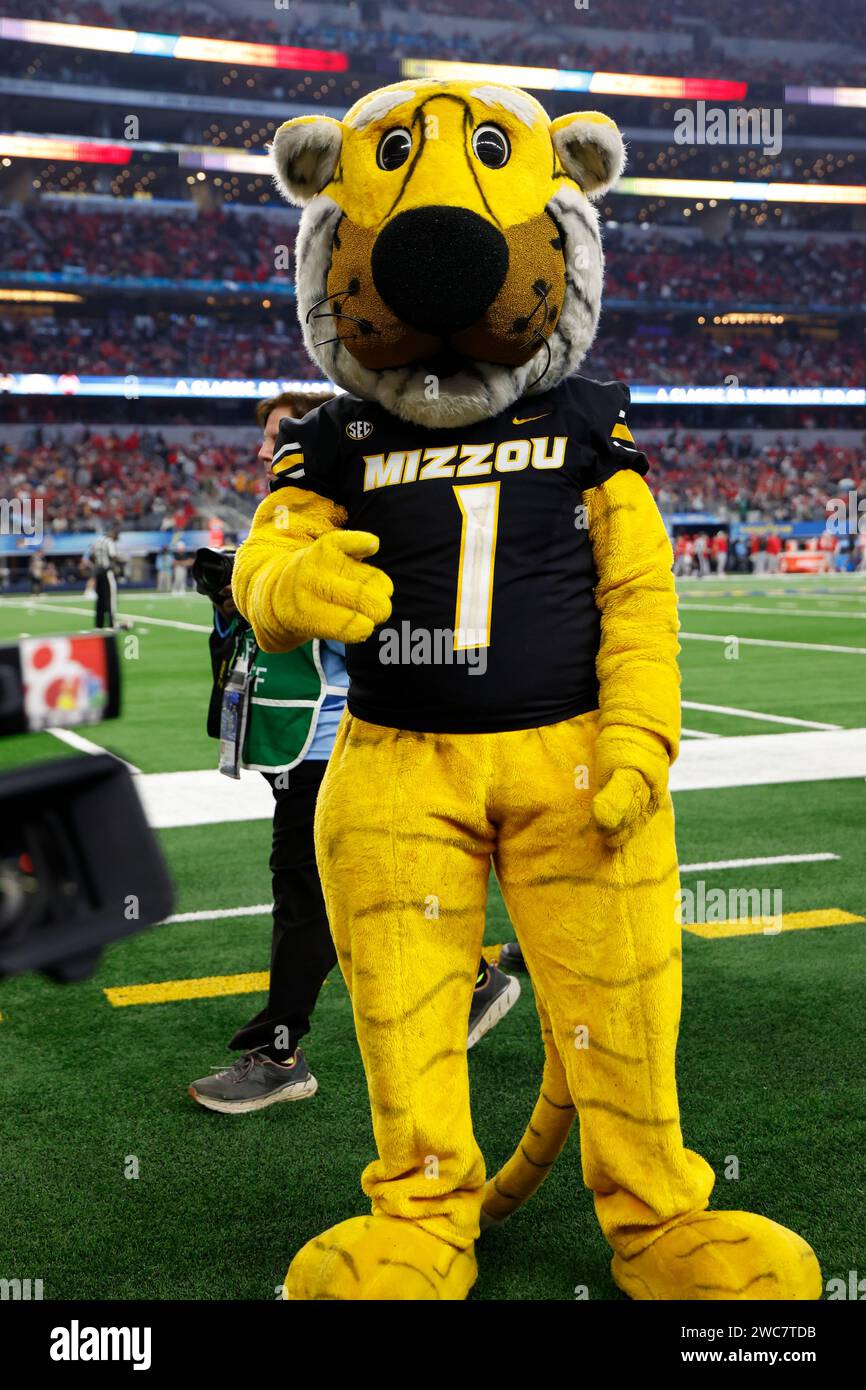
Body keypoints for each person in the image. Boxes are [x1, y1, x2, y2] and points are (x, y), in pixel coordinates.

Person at [188, 394, 520, 1114]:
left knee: (307, 898)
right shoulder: (288, 519)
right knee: (349, 888)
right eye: (266, 439)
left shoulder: (351, 509)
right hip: (296, 736)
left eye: (280, 435)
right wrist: (232, 602)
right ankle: (472, 979)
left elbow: (363, 625)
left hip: (337, 732)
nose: (269, 451)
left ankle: (280, 1053)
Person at [88, 526, 120, 628]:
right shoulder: (109, 542)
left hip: (98, 572)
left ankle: (99, 624)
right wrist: (122, 561)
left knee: (100, 599)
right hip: (107, 572)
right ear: (113, 534)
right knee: (110, 598)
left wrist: (97, 565)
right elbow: (113, 555)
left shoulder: (97, 541)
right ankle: (112, 624)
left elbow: (91, 556)